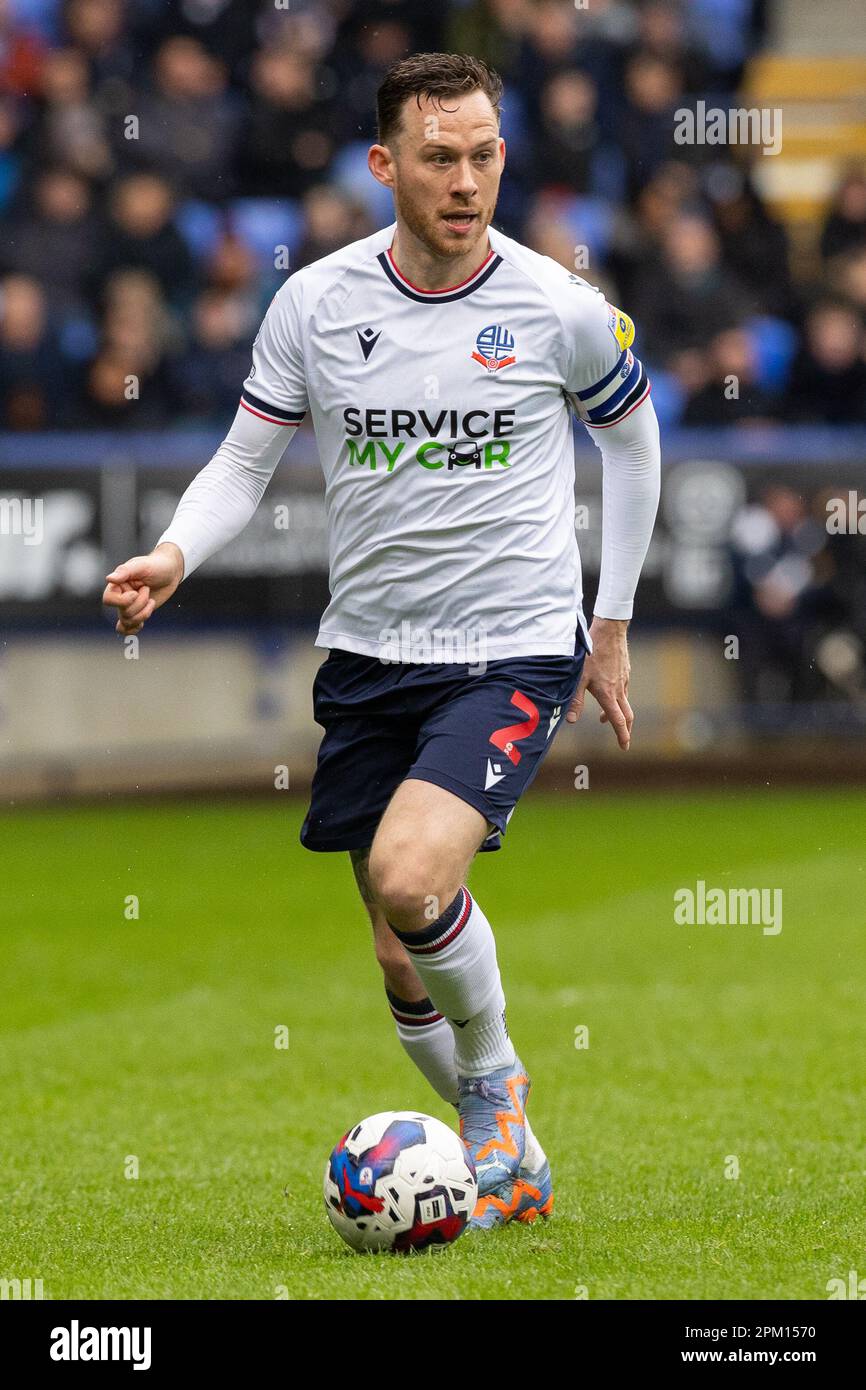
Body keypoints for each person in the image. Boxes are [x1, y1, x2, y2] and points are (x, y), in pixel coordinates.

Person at [103, 52, 661, 1234]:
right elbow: (245, 461)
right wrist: (173, 553)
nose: (467, 181)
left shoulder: (552, 304)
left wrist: (606, 622)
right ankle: (501, 1157)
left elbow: (634, 437)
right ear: (383, 165)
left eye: (485, 155)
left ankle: (495, 1086)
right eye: (440, 157)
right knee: (400, 952)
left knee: (415, 877)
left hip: (510, 642)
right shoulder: (314, 302)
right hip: (368, 653)